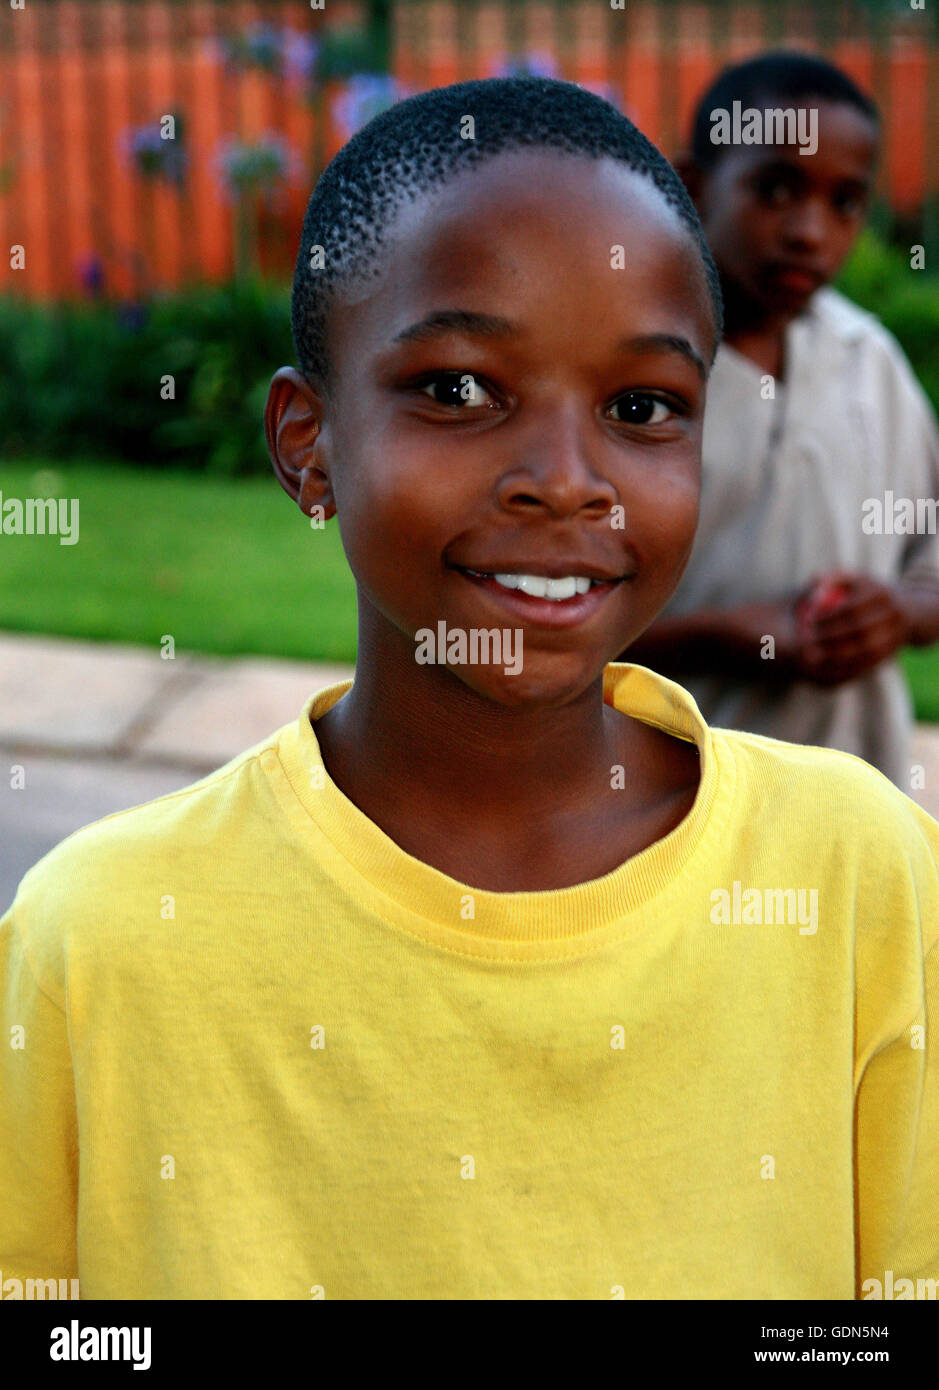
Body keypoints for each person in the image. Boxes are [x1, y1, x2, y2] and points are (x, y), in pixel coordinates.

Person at [0, 76, 935, 1301]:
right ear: (307, 442)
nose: (565, 479)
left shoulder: (864, 879)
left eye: (642, 406)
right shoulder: (101, 938)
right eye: (458, 389)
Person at [624, 51, 939, 790]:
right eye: (774, 188)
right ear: (694, 188)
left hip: (850, 800)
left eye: (844, 202)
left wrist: (894, 612)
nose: (808, 231)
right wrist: (715, 638)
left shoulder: (868, 361)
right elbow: (535, 627)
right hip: (661, 805)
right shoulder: (627, 372)